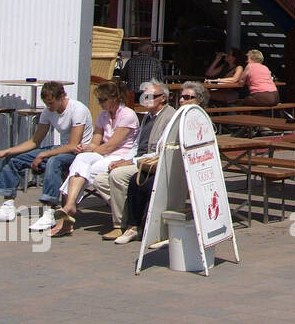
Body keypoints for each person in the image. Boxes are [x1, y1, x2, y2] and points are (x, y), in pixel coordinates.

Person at [0, 82, 93, 232]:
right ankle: (7, 207)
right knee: (14, 160)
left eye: (51, 103)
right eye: (46, 104)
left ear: (62, 97)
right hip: (60, 149)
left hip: (80, 153)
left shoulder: (78, 110)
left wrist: (43, 154)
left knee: (53, 161)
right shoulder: (48, 111)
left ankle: (50, 211)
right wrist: (6, 151)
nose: (49, 107)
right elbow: (34, 141)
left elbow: (73, 145)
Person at [117, 82, 208, 245]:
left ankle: (162, 232)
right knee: (136, 180)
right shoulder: (177, 117)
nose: (182, 100)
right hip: (164, 163)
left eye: (188, 97)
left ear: (199, 100)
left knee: (151, 185)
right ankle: (133, 226)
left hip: (185, 168)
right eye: (182, 97)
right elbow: (162, 145)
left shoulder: (198, 119)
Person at [50, 80, 139, 237]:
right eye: (99, 100)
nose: (100, 103)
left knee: (88, 171)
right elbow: (95, 142)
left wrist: (94, 149)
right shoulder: (103, 115)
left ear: (114, 98)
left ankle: (67, 213)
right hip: (105, 154)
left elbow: (110, 146)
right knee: (81, 159)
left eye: (103, 100)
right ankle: (70, 206)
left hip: (122, 155)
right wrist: (85, 148)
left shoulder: (128, 115)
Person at [94, 79, 176, 240]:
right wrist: (126, 159)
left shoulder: (170, 117)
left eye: (151, 96)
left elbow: (161, 150)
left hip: (152, 162)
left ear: (163, 98)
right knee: (100, 180)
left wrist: (129, 162)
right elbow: (137, 144)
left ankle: (120, 225)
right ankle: (132, 214)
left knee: (117, 175)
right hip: (139, 158)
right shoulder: (147, 117)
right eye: (144, 96)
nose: (146, 100)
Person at [210, 48, 279, 106]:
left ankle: (241, 120)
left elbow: (241, 81)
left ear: (251, 58)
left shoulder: (249, 66)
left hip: (262, 96)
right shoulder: (265, 67)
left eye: (248, 58)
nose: (246, 60)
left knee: (242, 102)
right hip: (276, 96)